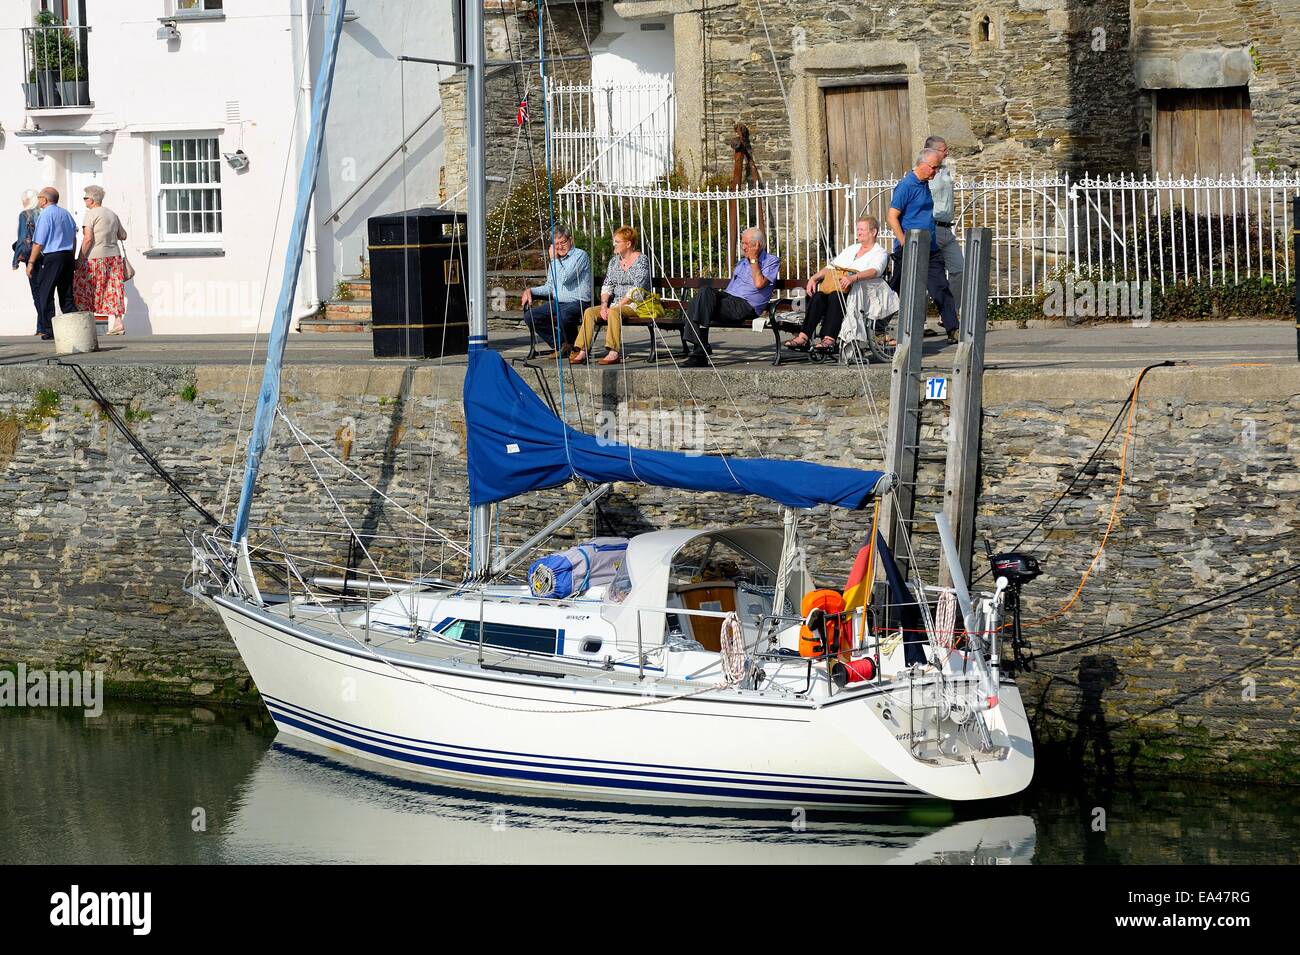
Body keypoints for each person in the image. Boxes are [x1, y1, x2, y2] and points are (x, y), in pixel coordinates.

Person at [785, 216, 896, 356]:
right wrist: (814, 278)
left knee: (835, 296)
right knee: (818, 296)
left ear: (873, 232)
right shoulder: (852, 248)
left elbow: (874, 271)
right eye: (858, 229)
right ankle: (804, 337)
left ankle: (829, 339)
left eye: (862, 229)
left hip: (859, 291)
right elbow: (832, 267)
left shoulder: (879, 252)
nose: (858, 232)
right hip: (839, 288)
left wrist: (853, 278)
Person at [886, 149, 959, 343]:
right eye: (933, 168)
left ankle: (953, 329)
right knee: (896, 288)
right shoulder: (906, 186)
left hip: (931, 246)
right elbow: (892, 217)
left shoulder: (924, 184)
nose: (935, 172)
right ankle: (877, 326)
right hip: (910, 246)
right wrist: (904, 243)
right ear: (922, 164)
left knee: (940, 287)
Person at [683, 227, 779, 367]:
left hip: (745, 305)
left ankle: (700, 352)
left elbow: (759, 284)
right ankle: (701, 349)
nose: (743, 247)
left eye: (746, 243)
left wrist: (754, 259)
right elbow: (730, 290)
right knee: (702, 295)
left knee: (700, 300)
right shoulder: (741, 263)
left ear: (757, 244)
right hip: (729, 300)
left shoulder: (771, 261)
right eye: (742, 243)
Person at [570, 226, 651, 366]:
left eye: (617, 241)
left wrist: (618, 305)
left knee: (614, 311)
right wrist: (603, 306)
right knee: (589, 312)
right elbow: (607, 285)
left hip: (636, 305)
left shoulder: (642, 260)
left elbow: (637, 289)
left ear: (628, 243)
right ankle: (582, 350)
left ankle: (613, 351)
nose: (614, 244)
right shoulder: (614, 262)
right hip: (615, 305)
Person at [521, 224, 591, 356]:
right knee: (530, 316)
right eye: (556, 244)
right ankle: (561, 344)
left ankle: (575, 346)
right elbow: (550, 287)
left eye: (563, 242)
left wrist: (554, 260)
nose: (560, 246)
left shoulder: (580, 255)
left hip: (578, 302)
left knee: (563, 315)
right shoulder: (556, 261)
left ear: (570, 240)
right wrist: (531, 291)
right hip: (559, 303)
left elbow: (565, 278)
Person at [73, 184, 129, 335]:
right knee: (113, 289)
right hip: (114, 257)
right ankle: (118, 322)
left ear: (91, 199)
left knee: (85, 288)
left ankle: (87, 326)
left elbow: (88, 239)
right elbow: (123, 236)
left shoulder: (91, 214)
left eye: (85, 198)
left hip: (95, 257)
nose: (84, 201)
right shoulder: (112, 214)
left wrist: (79, 259)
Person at [26, 187, 78, 341]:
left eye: (40, 196)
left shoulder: (45, 215)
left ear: (45, 200)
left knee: (45, 292)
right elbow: (74, 238)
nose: (39, 199)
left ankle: (50, 329)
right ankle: (74, 327)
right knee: (66, 294)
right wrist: (72, 256)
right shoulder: (66, 214)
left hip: (52, 256)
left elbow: (38, 243)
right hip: (67, 255)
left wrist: (31, 262)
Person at [926, 135, 964, 315]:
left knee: (960, 270)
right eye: (943, 150)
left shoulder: (946, 170)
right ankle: (920, 319)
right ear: (931, 151)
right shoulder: (924, 172)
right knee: (925, 276)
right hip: (932, 228)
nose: (947, 152)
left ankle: (950, 314)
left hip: (947, 228)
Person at [11, 190, 42, 335]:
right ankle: (44, 325)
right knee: (45, 292)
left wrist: (16, 260)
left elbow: (23, 238)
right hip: (46, 255)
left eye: (24, 200)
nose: (22, 202)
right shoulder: (43, 213)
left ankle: (42, 327)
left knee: (36, 291)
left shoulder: (25, 215)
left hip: (32, 257)